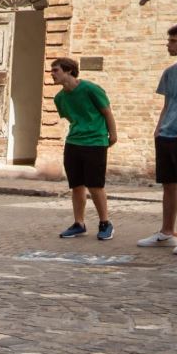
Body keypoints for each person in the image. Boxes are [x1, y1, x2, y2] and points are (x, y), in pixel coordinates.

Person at [49, 58, 117, 240]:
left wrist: (113, 134)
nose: (52, 74)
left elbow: (107, 112)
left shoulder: (90, 89)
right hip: (73, 143)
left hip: (95, 142)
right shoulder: (59, 98)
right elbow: (73, 119)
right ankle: (79, 224)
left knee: (95, 185)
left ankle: (105, 223)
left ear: (69, 71)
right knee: (77, 185)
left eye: (55, 70)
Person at [138, 22, 177, 252]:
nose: (169, 44)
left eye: (173, 41)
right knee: (169, 184)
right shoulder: (170, 72)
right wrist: (158, 128)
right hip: (167, 134)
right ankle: (167, 233)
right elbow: (167, 103)